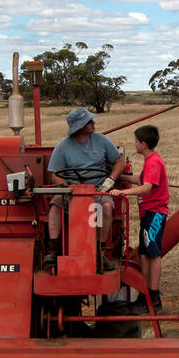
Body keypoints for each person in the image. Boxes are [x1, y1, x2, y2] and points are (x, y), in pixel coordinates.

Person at [45, 107, 126, 270]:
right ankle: (53, 249)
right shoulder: (63, 147)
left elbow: (119, 161)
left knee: (107, 208)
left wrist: (110, 180)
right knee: (55, 206)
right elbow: (54, 175)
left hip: (97, 189)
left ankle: (100, 250)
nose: (93, 123)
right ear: (80, 126)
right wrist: (66, 187)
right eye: (89, 121)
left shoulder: (101, 141)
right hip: (71, 192)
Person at [110, 124, 168, 312]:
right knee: (144, 254)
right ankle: (145, 296)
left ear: (143, 144)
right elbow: (141, 180)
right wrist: (121, 178)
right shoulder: (150, 161)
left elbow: (147, 187)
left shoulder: (153, 162)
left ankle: (153, 296)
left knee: (153, 254)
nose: (134, 144)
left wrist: (121, 192)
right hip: (148, 213)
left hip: (155, 212)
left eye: (136, 141)